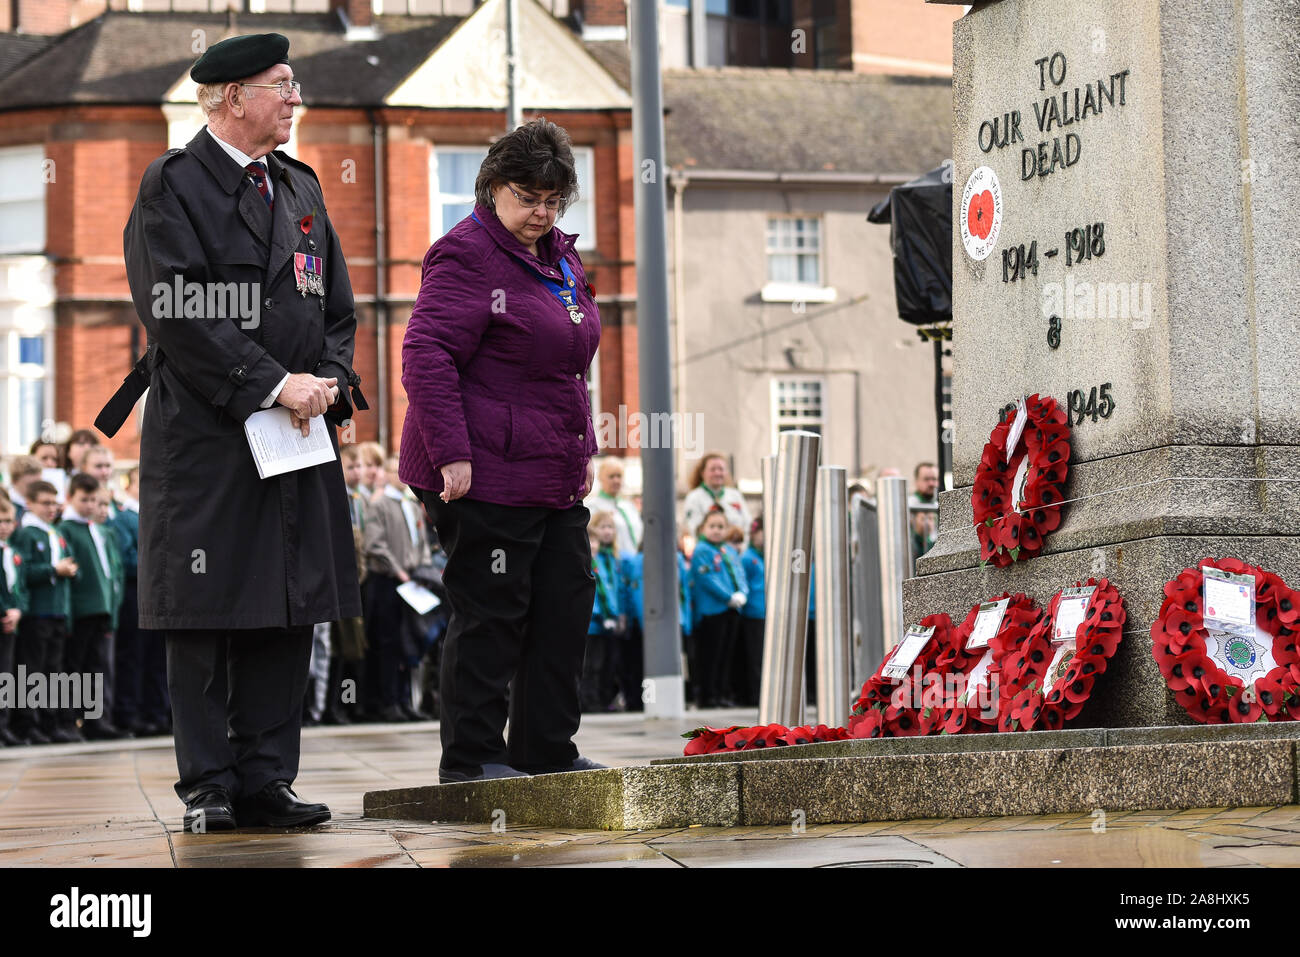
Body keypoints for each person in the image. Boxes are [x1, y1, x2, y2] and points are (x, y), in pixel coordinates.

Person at [96, 32, 366, 830]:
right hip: (211, 437)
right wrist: (274, 382)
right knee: (206, 611)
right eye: (281, 84)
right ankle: (209, 785)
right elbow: (175, 309)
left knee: (290, 604)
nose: (295, 97)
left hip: (298, 433)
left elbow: (339, 311)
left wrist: (331, 381)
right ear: (229, 97)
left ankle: (266, 779)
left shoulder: (302, 186)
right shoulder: (172, 185)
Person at [398, 116, 604, 783]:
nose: (540, 212)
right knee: (492, 615)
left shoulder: (561, 256)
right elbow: (426, 353)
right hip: (481, 470)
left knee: (564, 609)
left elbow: (566, 365)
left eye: (552, 199)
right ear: (492, 189)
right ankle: (471, 760)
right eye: (527, 197)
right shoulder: (465, 254)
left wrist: (586, 449)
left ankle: (546, 750)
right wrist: (452, 452)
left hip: (551, 469)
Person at [58, 473, 128, 740]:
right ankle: (68, 720)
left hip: (101, 609)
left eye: (93, 500)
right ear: (70, 498)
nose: (89, 505)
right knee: (73, 667)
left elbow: (109, 572)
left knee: (96, 668)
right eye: (83, 499)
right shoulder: (66, 529)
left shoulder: (97, 529)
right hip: (79, 610)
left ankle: (95, 721)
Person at [9, 480, 77, 744]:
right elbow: (22, 571)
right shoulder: (27, 533)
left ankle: (50, 722)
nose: (51, 508)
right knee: (32, 672)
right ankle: (28, 723)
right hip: (37, 612)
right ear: (29, 504)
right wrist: (53, 570)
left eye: (54, 503)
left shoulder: (54, 532)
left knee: (53, 671)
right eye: (45, 503)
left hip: (57, 612)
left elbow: (68, 562)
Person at [688, 506, 748, 709]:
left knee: (726, 654)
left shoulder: (728, 551)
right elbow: (707, 579)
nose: (717, 530)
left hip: (732, 608)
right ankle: (708, 695)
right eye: (712, 526)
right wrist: (728, 596)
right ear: (703, 528)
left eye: (721, 527)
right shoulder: (702, 550)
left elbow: (739, 574)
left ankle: (722, 692)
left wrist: (742, 593)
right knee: (710, 655)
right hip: (712, 610)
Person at [582, 511, 624, 712]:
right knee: (589, 666)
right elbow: (593, 594)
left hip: (605, 623)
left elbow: (610, 590)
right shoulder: (587, 564)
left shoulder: (605, 562)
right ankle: (588, 700)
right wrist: (600, 614)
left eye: (596, 542)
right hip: (592, 624)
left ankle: (600, 698)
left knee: (605, 665)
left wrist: (615, 615)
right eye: (591, 541)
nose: (595, 546)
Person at [682, 452, 752, 549]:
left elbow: (748, 524)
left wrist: (742, 546)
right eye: (713, 469)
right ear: (702, 473)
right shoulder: (694, 497)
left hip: (737, 552)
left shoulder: (735, 495)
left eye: (721, 469)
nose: (717, 473)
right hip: (709, 553)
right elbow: (693, 529)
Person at [0, 494, 25, 746]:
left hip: (11, 622)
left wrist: (18, 608)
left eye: (8, 520)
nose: (5, 526)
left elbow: (20, 586)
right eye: (0, 521)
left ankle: (4, 725)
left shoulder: (12, 551)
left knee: (5, 677)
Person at [584, 458, 642, 556]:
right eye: (611, 476)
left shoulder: (629, 507)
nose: (616, 480)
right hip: (609, 564)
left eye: (619, 476)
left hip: (632, 564)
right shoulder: (592, 506)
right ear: (600, 478)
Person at [739, 516, 766, 707]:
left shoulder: (766, 557)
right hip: (754, 613)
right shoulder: (748, 558)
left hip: (766, 613)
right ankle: (754, 694)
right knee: (754, 657)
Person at [910, 461, 940, 562]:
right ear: (916, 482)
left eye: (934, 479)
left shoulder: (940, 506)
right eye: (926, 479)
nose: (931, 483)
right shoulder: (909, 506)